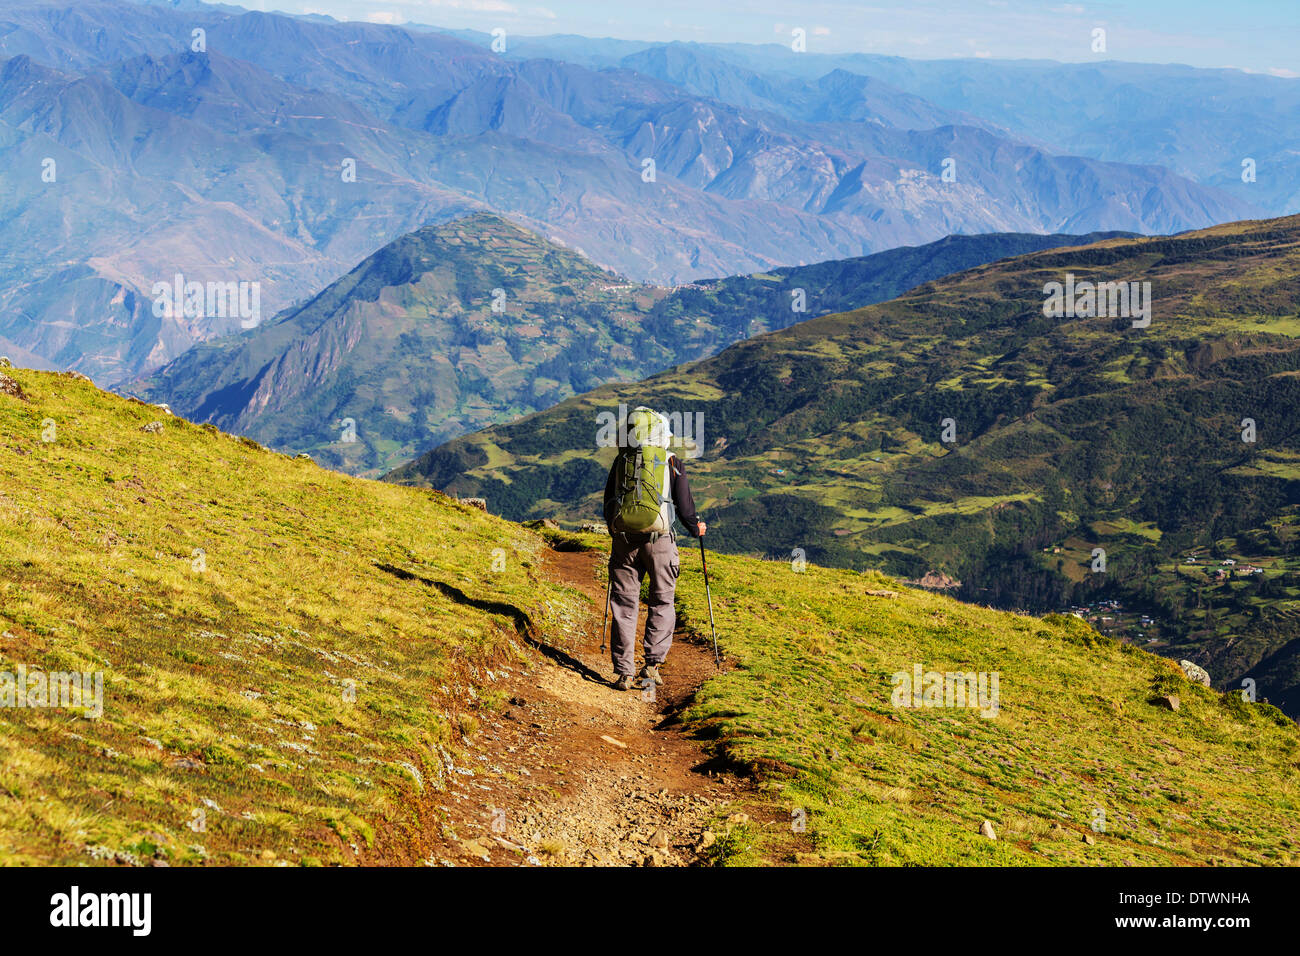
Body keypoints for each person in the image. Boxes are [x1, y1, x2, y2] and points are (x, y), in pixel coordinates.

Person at [602, 407, 706, 691]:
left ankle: (624, 673)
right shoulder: (671, 462)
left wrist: (615, 529)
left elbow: (609, 501)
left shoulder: (621, 461)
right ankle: (651, 666)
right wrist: (696, 527)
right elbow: (685, 507)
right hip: (659, 542)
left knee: (624, 605)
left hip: (624, 541)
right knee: (662, 602)